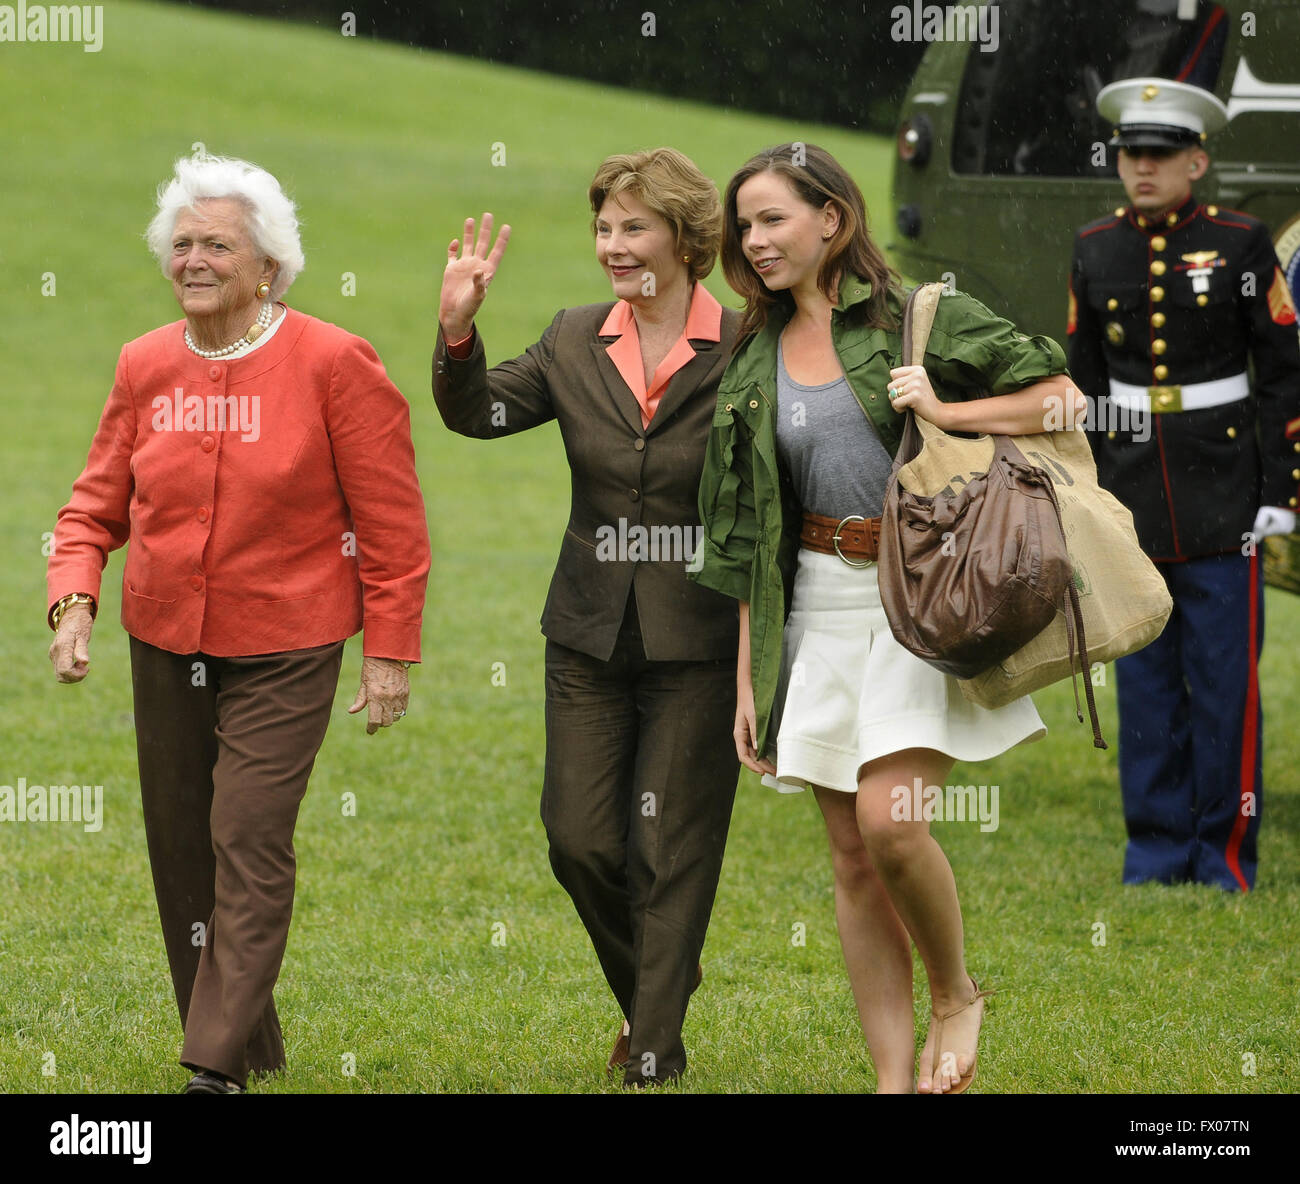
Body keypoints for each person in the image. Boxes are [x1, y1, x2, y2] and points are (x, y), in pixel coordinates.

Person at [692, 143, 1080, 1094]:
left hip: (921, 595)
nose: (755, 239)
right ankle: (893, 1082)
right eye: (745, 225)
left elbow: (1061, 396)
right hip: (814, 609)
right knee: (853, 858)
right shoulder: (752, 354)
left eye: (774, 218)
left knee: (891, 825)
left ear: (832, 218)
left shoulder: (919, 316)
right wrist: (750, 678)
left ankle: (955, 993)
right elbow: (746, 537)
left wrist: (946, 409)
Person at [46, 154, 431, 1093]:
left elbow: (390, 522)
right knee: (182, 850)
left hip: (288, 644)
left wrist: (388, 652)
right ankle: (247, 1045)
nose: (194, 260)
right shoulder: (145, 363)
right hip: (163, 639)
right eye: (182, 244)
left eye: (217, 245)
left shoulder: (334, 361)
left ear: (269, 266)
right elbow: (92, 507)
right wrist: (74, 600)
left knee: (247, 834)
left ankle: (211, 1068)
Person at [432, 148, 742, 1088]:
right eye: (604, 228)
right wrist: (457, 332)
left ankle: (653, 1051)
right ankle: (661, 981)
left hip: (701, 640)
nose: (614, 245)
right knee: (580, 841)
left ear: (685, 237)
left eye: (634, 227)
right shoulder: (573, 337)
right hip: (586, 632)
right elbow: (479, 415)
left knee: (668, 851)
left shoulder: (747, 345)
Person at [1067, 78, 1300, 891]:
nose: (1143, 167)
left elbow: (1283, 375)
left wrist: (1280, 491)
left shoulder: (1240, 244)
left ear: (1196, 162)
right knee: (1145, 687)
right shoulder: (1094, 247)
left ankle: (1225, 856)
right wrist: (1085, 493)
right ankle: (1156, 852)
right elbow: (1087, 385)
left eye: (1161, 155)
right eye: (1132, 153)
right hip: (1131, 501)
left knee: (1226, 689)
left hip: (1227, 498)